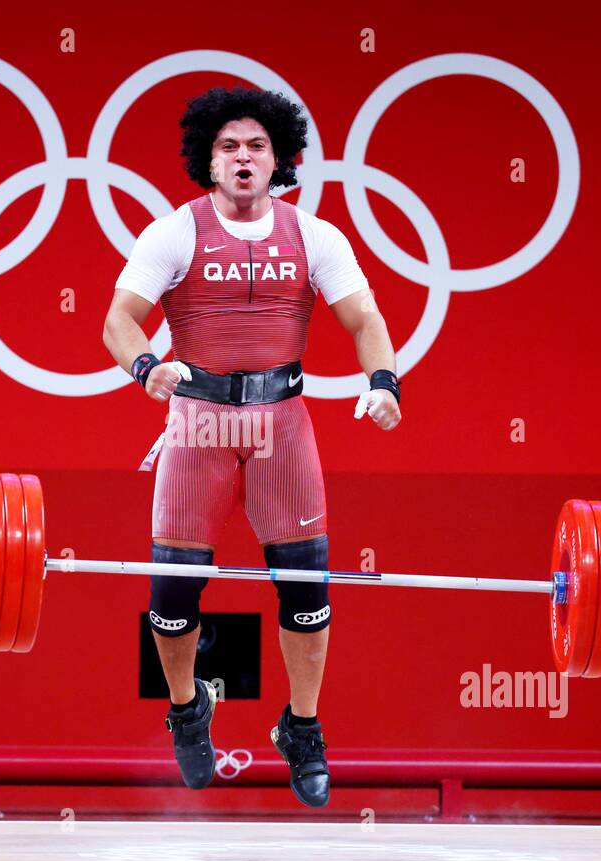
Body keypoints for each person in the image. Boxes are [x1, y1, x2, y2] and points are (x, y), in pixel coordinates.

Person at [102, 85, 401, 807]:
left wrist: (384, 382)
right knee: (171, 597)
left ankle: (301, 726)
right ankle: (186, 708)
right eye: (229, 146)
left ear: (279, 161)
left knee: (308, 587)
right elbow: (119, 319)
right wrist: (147, 368)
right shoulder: (172, 232)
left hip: (282, 425)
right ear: (208, 160)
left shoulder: (313, 236)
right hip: (199, 423)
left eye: (256, 147)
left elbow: (364, 316)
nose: (243, 157)